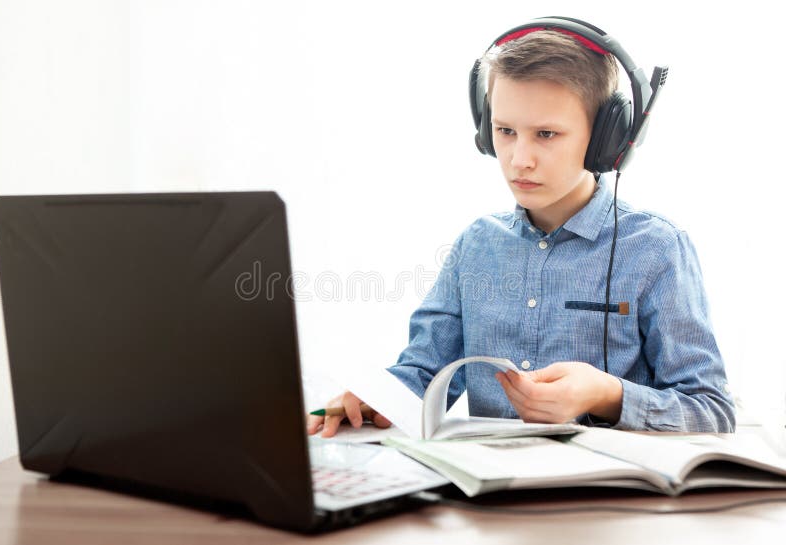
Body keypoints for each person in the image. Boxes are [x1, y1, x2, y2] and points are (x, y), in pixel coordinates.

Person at [307, 18, 735, 438]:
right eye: (505, 131)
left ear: (607, 140)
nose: (519, 158)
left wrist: (606, 393)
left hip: (610, 502)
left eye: (546, 134)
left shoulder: (657, 250)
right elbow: (423, 373)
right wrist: (375, 398)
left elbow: (712, 411)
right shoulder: (477, 245)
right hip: (487, 500)